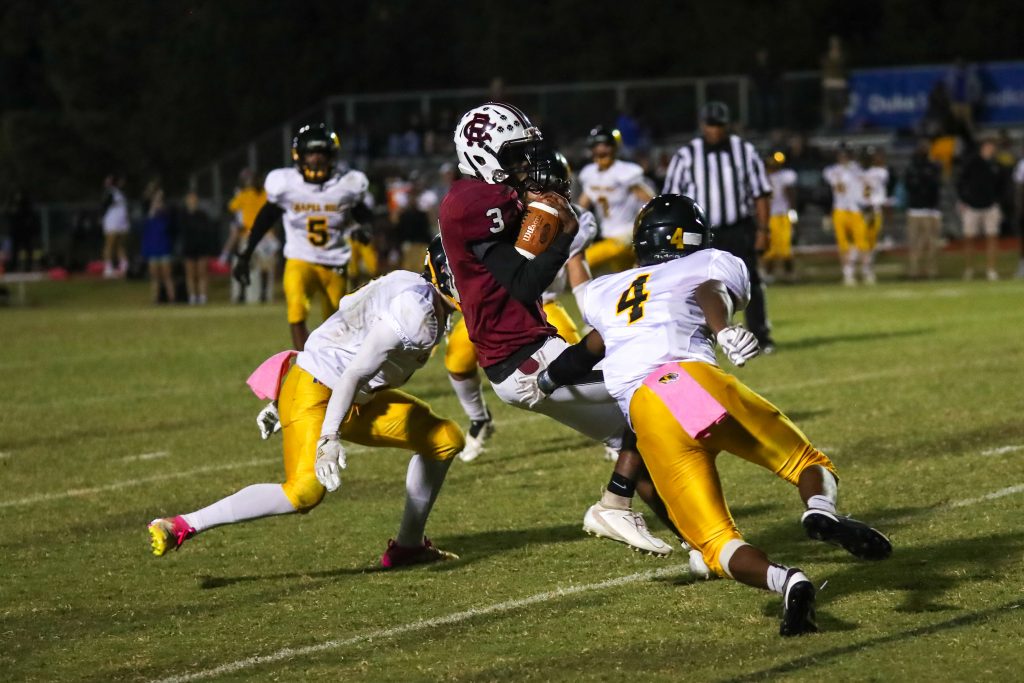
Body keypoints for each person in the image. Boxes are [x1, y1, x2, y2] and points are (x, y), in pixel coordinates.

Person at [532, 194, 892, 636]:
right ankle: (821, 511)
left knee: (716, 543)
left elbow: (591, 346)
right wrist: (723, 330)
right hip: (688, 385)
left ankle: (788, 581)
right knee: (805, 462)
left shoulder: (611, 291)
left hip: (647, 412)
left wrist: (548, 378)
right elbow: (708, 288)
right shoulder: (707, 262)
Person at [437, 102, 673, 556]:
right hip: (524, 359)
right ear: (482, 153)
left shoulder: (481, 195)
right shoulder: (473, 204)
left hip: (530, 349)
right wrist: (563, 234)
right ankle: (613, 504)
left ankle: (701, 544)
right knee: (656, 393)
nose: (523, 165)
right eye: (513, 154)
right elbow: (525, 283)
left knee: (638, 435)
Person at [147, 269, 464, 568]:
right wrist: (327, 437)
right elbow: (353, 372)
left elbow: (346, 328)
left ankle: (408, 546)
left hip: (351, 395)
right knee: (305, 491)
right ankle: (181, 525)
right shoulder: (416, 310)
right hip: (321, 390)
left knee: (444, 439)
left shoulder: (411, 287)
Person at [445, 148, 603, 464]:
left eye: (554, 186)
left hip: (546, 304)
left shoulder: (573, 218)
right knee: (456, 360)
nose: (545, 194)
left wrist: (591, 315)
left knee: (578, 357)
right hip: (495, 314)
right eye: (537, 186)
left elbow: (572, 268)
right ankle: (478, 419)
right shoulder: (499, 212)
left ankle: (611, 437)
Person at [233, 123, 372, 350]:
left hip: (335, 262)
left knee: (336, 325)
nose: (316, 159)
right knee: (296, 309)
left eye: (321, 153)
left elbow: (364, 214)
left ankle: (332, 364)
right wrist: (246, 253)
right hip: (300, 258)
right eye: (311, 153)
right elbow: (265, 218)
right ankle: (305, 362)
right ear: (299, 156)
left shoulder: (346, 185)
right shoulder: (287, 184)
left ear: (332, 155)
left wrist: (365, 229)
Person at [663, 101, 774, 350]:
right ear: (702, 125)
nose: (715, 130)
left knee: (749, 280)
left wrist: (764, 230)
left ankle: (761, 336)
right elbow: (672, 198)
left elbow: (761, 193)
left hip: (738, 227)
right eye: (711, 125)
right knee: (693, 285)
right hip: (700, 233)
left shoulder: (744, 151)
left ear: (728, 125)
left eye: (719, 125)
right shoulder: (686, 155)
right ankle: (696, 340)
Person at [578, 126, 655, 274]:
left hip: (627, 235)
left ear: (614, 148)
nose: (601, 150)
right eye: (597, 145)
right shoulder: (589, 173)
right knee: (624, 277)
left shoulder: (624, 171)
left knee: (583, 259)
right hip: (608, 235)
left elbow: (651, 201)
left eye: (605, 145)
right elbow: (581, 206)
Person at [822, 143, 870, 285]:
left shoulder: (857, 169)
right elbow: (838, 187)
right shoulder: (832, 170)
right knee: (843, 244)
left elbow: (866, 187)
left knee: (862, 243)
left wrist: (866, 204)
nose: (843, 157)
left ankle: (866, 272)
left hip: (856, 209)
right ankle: (848, 274)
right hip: (840, 209)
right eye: (841, 154)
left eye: (846, 154)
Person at [222, 169, 272, 304]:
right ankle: (260, 295)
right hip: (262, 235)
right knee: (262, 267)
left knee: (253, 266)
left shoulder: (247, 195)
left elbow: (230, 207)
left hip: (254, 235)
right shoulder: (265, 195)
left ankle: (251, 295)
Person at [956, 138, 1004, 281]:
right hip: (972, 205)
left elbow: (1001, 185)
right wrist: (963, 199)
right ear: (982, 147)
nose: (990, 149)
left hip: (990, 205)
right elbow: (960, 181)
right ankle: (969, 269)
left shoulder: (996, 164)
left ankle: (991, 269)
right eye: (988, 146)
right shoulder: (972, 162)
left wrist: (998, 200)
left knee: (992, 237)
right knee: (969, 238)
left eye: (992, 147)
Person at [903, 140, 943, 279]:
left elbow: (935, 185)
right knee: (914, 243)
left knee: (932, 243)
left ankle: (931, 271)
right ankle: (914, 271)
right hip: (916, 209)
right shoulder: (912, 167)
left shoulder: (933, 166)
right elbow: (910, 186)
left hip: (930, 209)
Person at [762, 151, 798, 283]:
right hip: (769, 216)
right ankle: (769, 274)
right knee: (769, 249)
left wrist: (793, 214)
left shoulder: (785, 176)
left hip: (783, 215)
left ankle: (789, 274)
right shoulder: (762, 177)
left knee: (785, 247)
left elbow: (791, 195)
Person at [178, 191, 218, 305]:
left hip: (201, 247)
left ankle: (202, 296)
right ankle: (192, 297)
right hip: (189, 247)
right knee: (190, 274)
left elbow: (207, 231)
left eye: (194, 199)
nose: (192, 201)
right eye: (190, 199)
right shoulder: (183, 215)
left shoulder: (202, 215)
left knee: (202, 273)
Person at [860, 146, 891, 284]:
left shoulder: (880, 172)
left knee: (872, 242)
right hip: (861, 209)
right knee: (861, 241)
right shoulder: (857, 171)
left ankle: (867, 269)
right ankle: (862, 269)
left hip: (874, 209)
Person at [140, 187, 175, 304]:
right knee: (155, 277)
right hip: (153, 250)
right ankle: (155, 299)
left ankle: (171, 299)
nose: (157, 204)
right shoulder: (148, 217)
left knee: (167, 276)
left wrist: (159, 197)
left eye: (159, 202)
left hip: (164, 249)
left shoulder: (166, 216)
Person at [101, 175, 130, 278]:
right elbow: (103, 205)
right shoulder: (110, 192)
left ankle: (124, 266)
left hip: (122, 221)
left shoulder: (120, 193)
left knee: (121, 245)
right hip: (112, 221)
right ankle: (108, 268)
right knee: (110, 244)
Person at [5, 189, 38, 273]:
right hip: (17, 232)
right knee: (15, 250)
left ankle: (28, 266)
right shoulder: (14, 208)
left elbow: (32, 219)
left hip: (26, 232)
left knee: (28, 249)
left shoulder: (28, 208)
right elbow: (8, 215)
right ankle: (13, 266)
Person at [821, 35, 849, 131]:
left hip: (840, 84)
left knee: (840, 106)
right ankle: (829, 126)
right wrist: (825, 80)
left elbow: (845, 70)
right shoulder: (826, 57)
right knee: (828, 107)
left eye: (836, 43)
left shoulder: (843, 57)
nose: (835, 45)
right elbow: (825, 70)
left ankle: (839, 126)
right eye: (833, 43)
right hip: (829, 85)